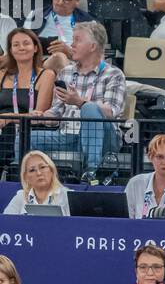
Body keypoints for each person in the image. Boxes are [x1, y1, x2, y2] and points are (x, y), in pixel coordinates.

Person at [33, 20, 127, 183]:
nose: (72, 45)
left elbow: (111, 112)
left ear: (92, 46)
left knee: (90, 108)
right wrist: (40, 116)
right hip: (69, 136)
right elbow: (56, 113)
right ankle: (20, 179)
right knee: (27, 136)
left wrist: (80, 102)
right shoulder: (66, 72)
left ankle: (91, 172)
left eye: (77, 40)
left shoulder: (114, 74)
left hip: (104, 139)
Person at [0, 28, 55, 164]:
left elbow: (38, 114)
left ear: (35, 48)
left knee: (10, 129)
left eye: (26, 43)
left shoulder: (46, 75)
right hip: (1, 128)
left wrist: (9, 118)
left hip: (27, 130)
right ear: (11, 50)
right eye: (16, 45)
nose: (21, 48)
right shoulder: (2, 74)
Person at [25, 0, 94, 76]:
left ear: (77, 1)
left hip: (74, 64)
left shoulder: (88, 23)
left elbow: (94, 59)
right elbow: (21, 44)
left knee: (59, 57)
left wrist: (69, 52)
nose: (60, 2)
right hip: (38, 61)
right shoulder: (35, 16)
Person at [3, 150, 69, 215]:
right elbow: (6, 222)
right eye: (32, 170)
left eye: (42, 167)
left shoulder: (67, 196)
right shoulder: (20, 197)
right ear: (26, 177)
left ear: (52, 170)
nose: (39, 173)